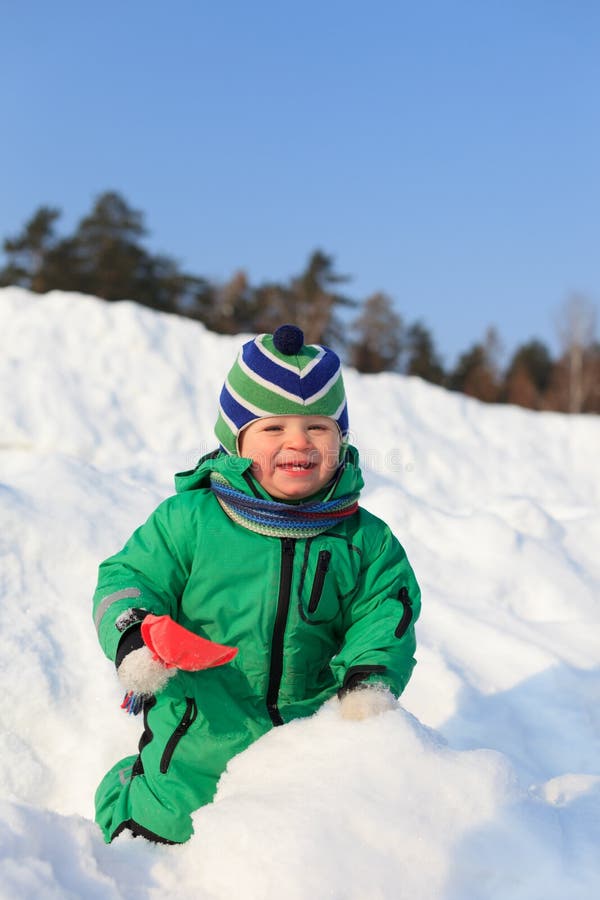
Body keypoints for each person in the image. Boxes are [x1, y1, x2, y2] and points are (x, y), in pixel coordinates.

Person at [93, 324, 421, 845]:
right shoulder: (191, 520)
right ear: (237, 440)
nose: (299, 442)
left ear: (341, 441)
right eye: (274, 428)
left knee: (305, 850)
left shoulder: (364, 538)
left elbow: (386, 612)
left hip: (308, 741)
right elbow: (127, 578)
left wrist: (367, 680)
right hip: (200, 732)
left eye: (318, 427)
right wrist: (134, 632)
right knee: (166, 834)